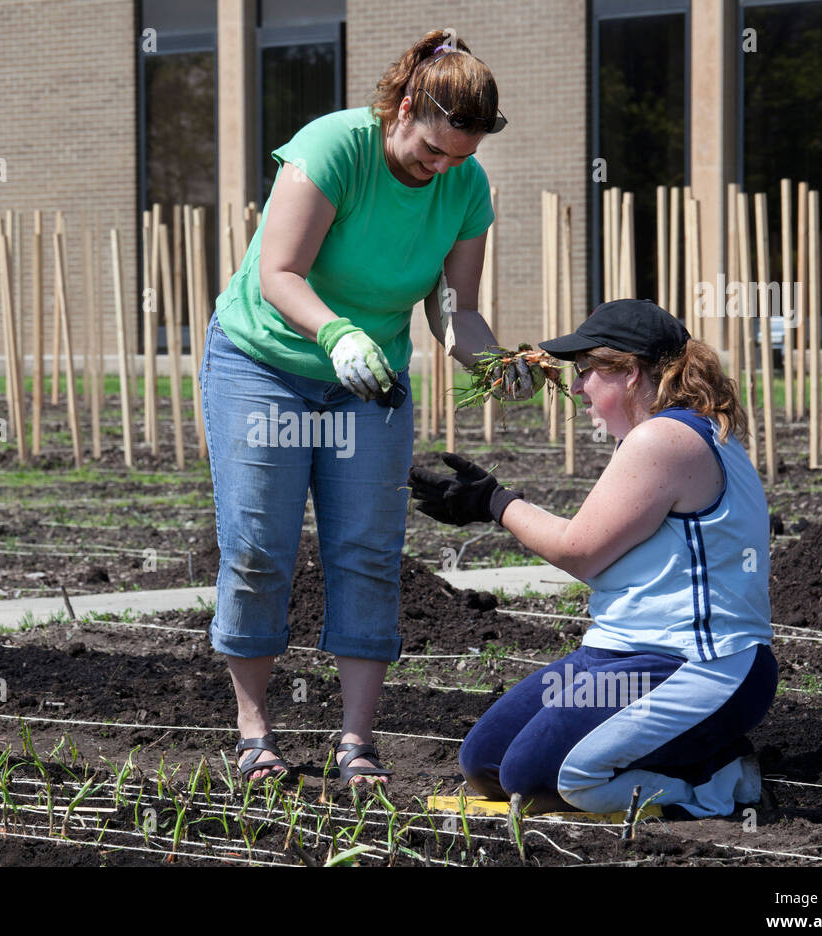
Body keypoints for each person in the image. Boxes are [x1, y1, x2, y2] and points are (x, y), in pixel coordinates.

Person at [201, 29, 512, 787]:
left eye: (458, 157)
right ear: (405, 107)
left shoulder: (465, 189)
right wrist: (336, 331)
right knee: (259, 547)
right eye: (431, 151)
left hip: (367, 382)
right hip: (263, 365)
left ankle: (356, 742)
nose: (439, 168)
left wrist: (498, 363)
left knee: (369, 552)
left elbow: (453, 311)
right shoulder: (334, 147)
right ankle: (253, 732)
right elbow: (278, 273)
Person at [408, 299, 777, 818]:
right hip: (620, 654)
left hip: (700, 665)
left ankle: (712, 780)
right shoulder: (672, 432)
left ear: (629, 372)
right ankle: (688, 752)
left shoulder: (664, 438)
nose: (577, 388)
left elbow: (578, 552)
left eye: (584, 373)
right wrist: (490, 502)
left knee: (542, 778)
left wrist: (492, 501)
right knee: (485, 762)